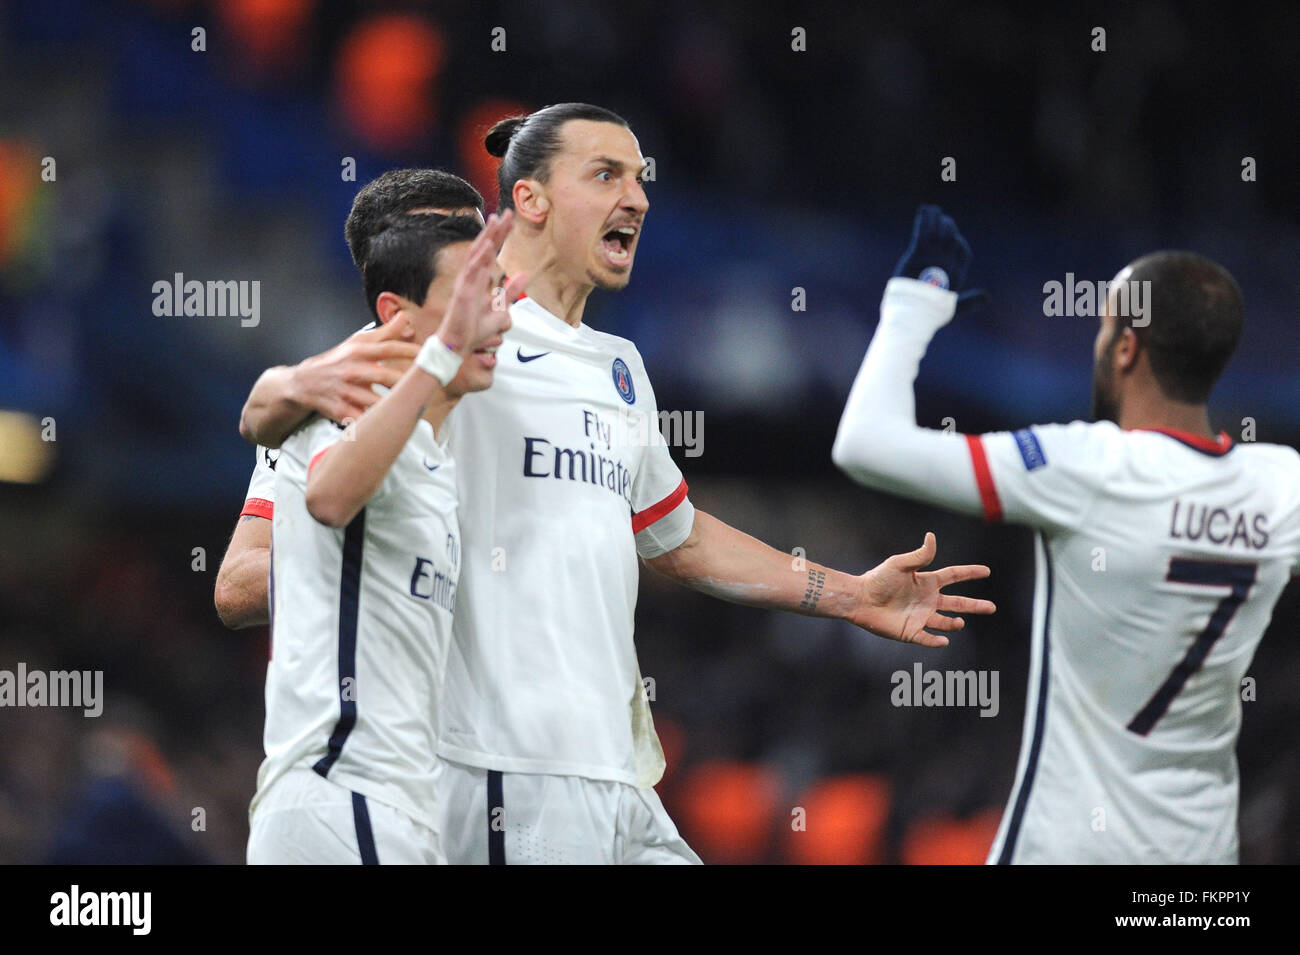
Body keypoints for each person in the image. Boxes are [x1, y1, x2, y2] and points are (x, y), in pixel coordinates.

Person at [241, 105, 996, 864]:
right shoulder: (455, 335)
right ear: (530, 201)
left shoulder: (618, 367)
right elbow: (279, 426)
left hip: (620, 774)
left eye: (639, 177)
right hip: (506, 771)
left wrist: (848, 594)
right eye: (605, 174)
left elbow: (681, 538)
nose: (636, 197)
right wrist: (284, 389)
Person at [833, 205, 1300, 863]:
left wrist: (914, 305)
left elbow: (865, 445)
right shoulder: (1281, 484)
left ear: (1127, 348)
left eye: (1104, 326)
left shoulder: (1085, 465)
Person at [247, 212, 524, 863]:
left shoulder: (431, 454)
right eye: (469, 297)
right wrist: (434, 358)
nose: (496, 320)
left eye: (497, 295)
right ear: (396, 313)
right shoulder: (349, 398)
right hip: (347, 797)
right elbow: (327, 495)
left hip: (379, 811)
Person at [214, 168, 486, 630]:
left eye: (483, 255)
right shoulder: (331, 391)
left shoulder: (540, 365)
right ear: (384, 277)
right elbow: (236, 588)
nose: (477, 281)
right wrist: (385, 558)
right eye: (446, 250)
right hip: (391, 691)